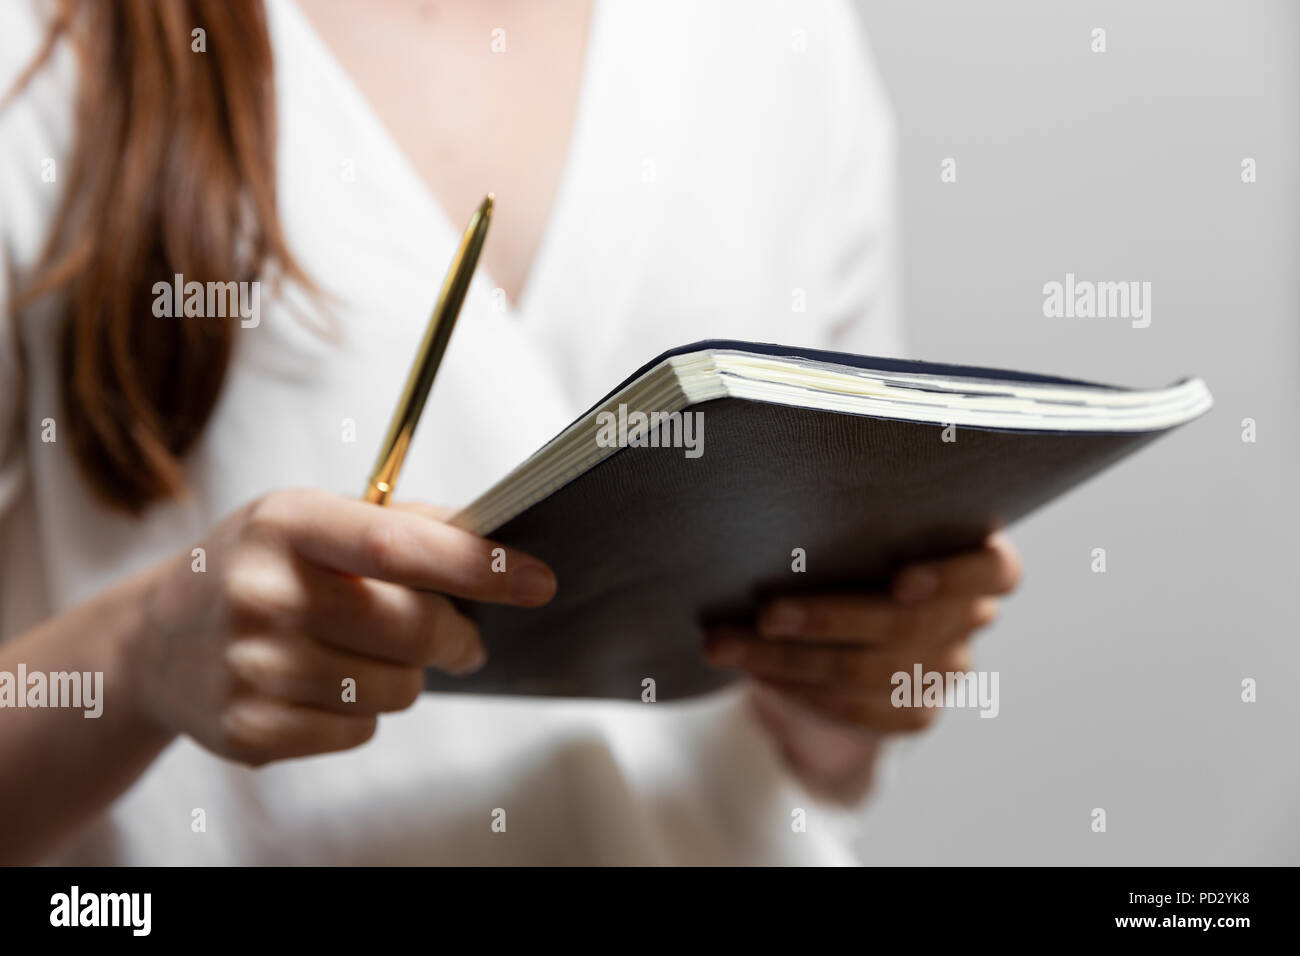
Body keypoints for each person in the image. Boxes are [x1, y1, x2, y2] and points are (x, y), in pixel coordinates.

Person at [0, 0, 1021, 865]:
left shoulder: (782, 34)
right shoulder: (41, 52)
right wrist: (138, 659)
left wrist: (857, 682)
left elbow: (823, 763)